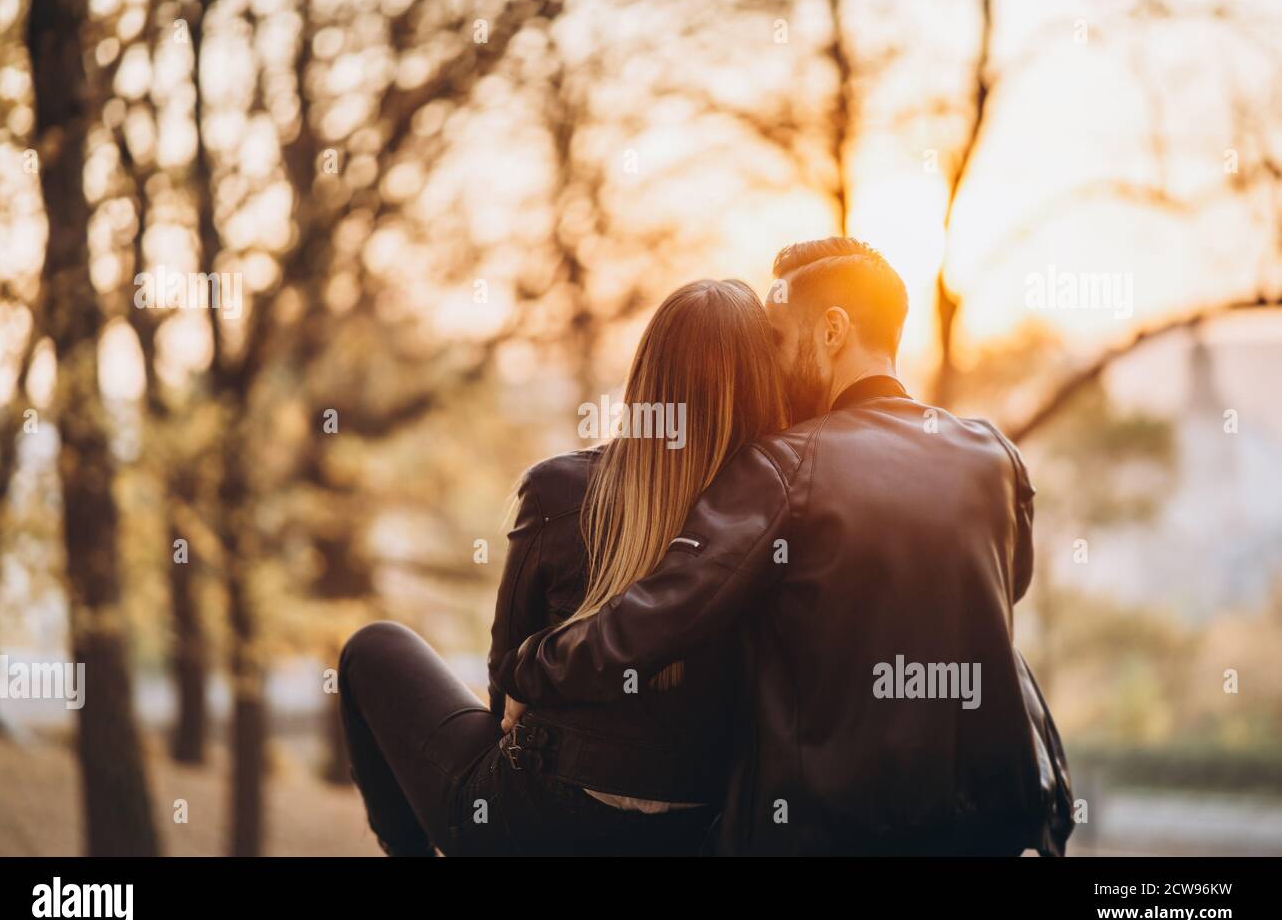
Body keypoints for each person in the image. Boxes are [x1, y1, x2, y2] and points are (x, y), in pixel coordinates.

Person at [497, 237, 1074, 856]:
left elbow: (650, 621)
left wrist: (528, 670)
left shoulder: (784, 465)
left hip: (831, 829)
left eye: (775, 338)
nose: (766, 363)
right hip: (991, 826)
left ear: (832, 331)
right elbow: (1003, 589)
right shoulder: (992, 453)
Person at [338, 279, 788, 855]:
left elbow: (504, 685)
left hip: (537, 819)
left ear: (646, 377)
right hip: (694, 827)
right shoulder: (774, 516)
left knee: (372, 648)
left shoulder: (561, 490)